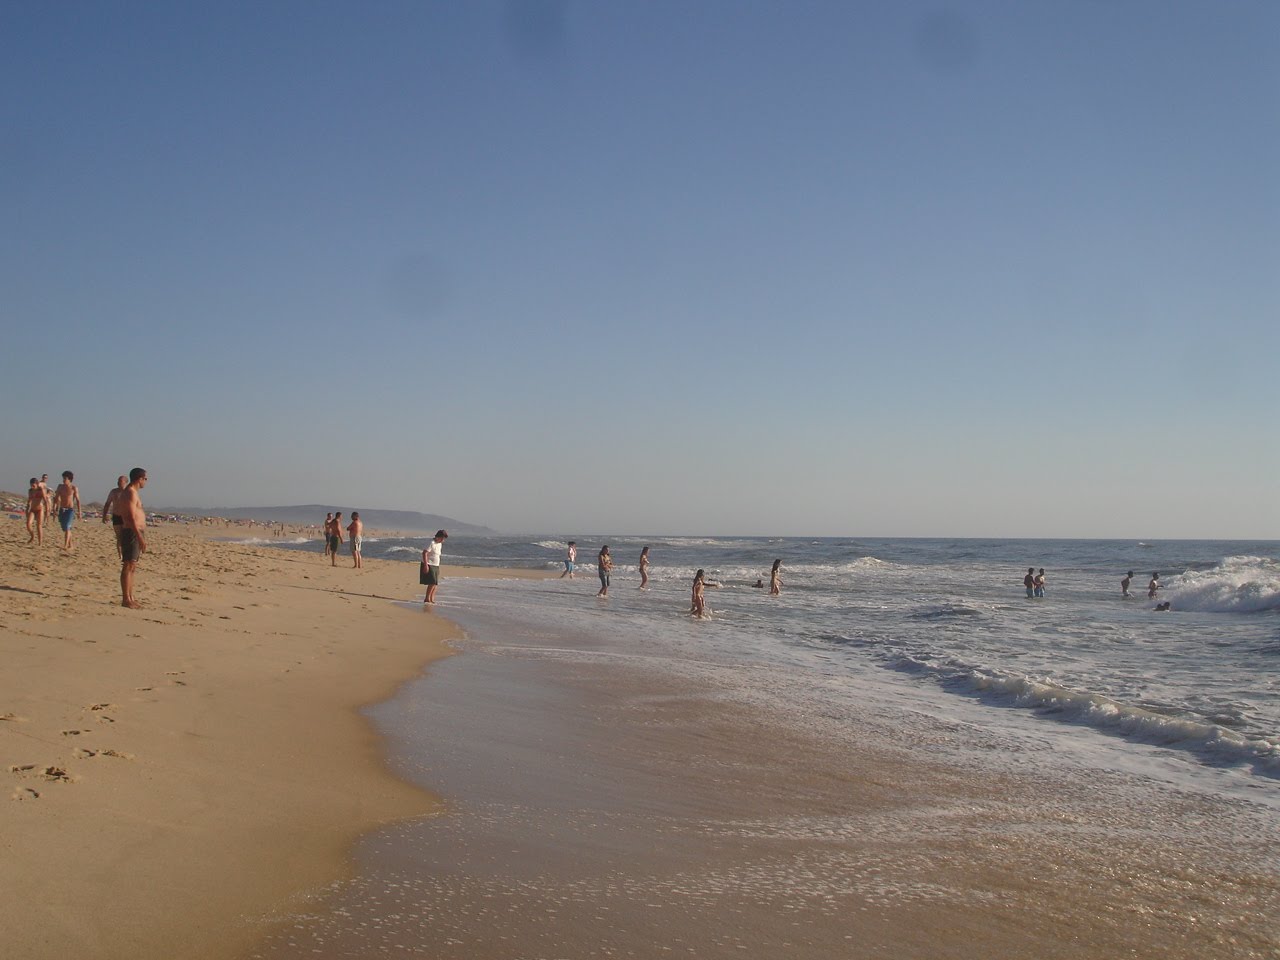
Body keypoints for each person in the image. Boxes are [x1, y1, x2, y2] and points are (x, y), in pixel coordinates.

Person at [117, 467, 148, 609]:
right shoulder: (130, 493)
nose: (146, 482)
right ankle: (126, 599)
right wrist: (139, 536)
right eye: (145, 479)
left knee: (132, 565)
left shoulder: (133, 492)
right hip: (131, 532)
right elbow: (129, 517)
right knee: (128, 564)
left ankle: (130, 597)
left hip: (135, 531)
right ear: (139, 479)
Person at [53, 471, 82, 550]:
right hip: (62, 510)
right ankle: (71, 544)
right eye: (63, 478)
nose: (63, 480)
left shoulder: (73, 488)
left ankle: (65, 545)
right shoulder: (60, 487)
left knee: (67, 527)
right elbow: (56, 499)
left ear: (70, 479)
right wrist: (54, 509)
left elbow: (78, 501)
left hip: (70, 510)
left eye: (65, 478)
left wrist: (79, 512)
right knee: (65, 528)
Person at [102, 475, 128, 558]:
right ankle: (120, 555)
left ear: (125, 482)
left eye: (120, 481)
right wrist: (104, 515)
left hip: (126, 517)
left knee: (126, 536)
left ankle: (125, 553)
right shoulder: (114, 492)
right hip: (116, 516)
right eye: (118, 481)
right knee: (119, 536)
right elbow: (107, 504)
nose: (118, 482)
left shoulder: (129, 492)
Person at [422, 529, 448, 604]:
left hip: (436, 565)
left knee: (435, 583)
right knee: (432, 582)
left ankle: (432, 598)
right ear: (438, 537)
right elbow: (424, 553)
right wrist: (425, 565)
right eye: (442, 538)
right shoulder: (431, 543)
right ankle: (427, 598)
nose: (443, 540)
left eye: (444, 539)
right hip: (430, 564)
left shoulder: (439, 544)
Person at [25, 478, 46, 545]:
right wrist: (27, 509)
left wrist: (47, 509)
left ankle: (40, 542)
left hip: (40, 509)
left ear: (37, 484)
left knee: (39, 526)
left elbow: (45, 500)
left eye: (33, 485)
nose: (32, 487)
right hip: (33, 509)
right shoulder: (30, 491)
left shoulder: (40, 490)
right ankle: (32, 536)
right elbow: (29, 501)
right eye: (31, 485)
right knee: (28, 524)